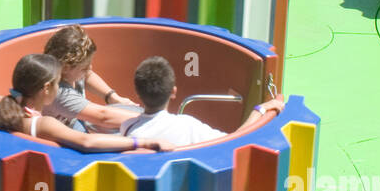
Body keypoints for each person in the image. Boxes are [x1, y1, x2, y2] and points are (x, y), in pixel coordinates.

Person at [0, 54, 168, 153]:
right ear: (47, 88)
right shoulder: (42, 124)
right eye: (59, 84)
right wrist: (144, 142)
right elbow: (86, 142)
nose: (61, 89)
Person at [119, 56, 286, 151]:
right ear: (174, 92)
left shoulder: (127, 128)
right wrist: (260, 109)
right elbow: (234, 141)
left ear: (138, 95)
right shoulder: (187, 125)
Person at [42, 24, 137, 132]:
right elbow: (103, 116)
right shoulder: (60, 92)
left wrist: (112, 97)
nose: (89, 68)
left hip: (77, 119)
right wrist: (145, 118)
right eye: (85, 67)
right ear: (66, 68)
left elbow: (88, 76)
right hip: (64, 134)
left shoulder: (69, 73)